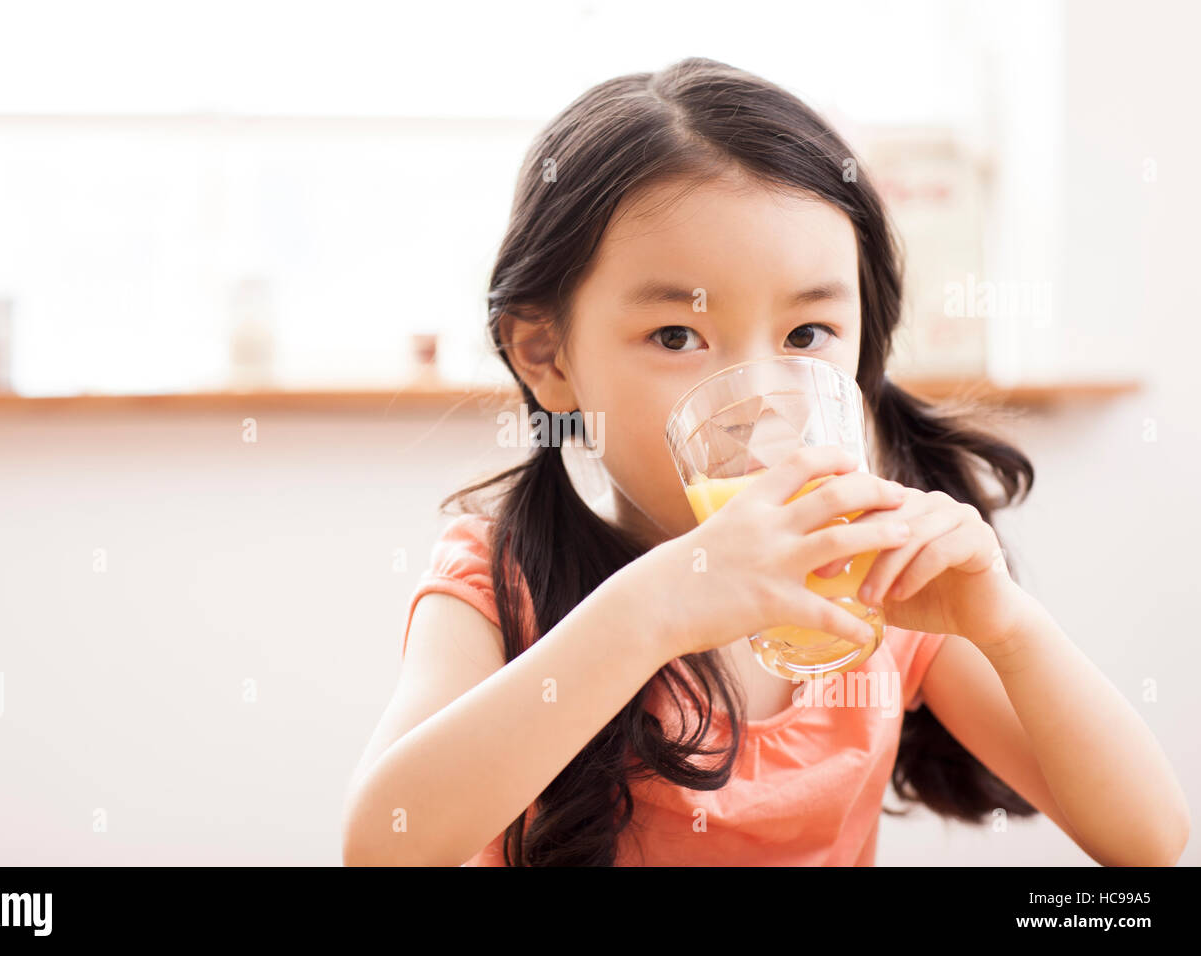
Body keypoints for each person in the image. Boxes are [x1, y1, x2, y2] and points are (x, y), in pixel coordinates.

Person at [342, 57, 1189, 867]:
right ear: (547, 356)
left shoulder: (873, 582)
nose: (761, 402)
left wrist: (1009, 627)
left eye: (807, 334)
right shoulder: (498, 585)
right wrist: (650, 612)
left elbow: (1148, 841)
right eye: (677, 336)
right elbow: (385, 846)